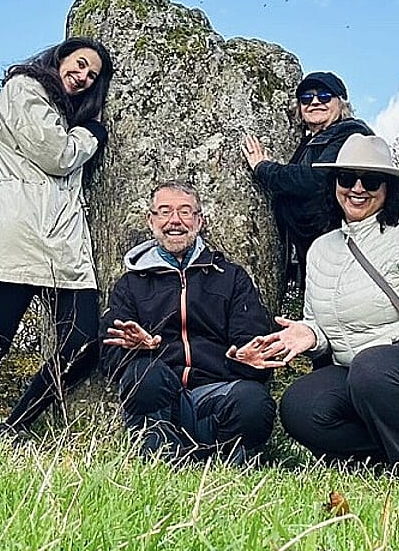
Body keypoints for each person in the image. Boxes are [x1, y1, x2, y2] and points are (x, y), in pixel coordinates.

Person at [233, 134, 399, 474]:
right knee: (299, 406)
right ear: (334, 184)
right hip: (358, 379)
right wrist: (309, 335)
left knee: (373, 367)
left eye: (371, 180)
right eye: (347, 178)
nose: (358, 188)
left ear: (388, 188)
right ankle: (377, 464)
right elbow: (319, 320)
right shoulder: (321, 249)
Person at [0, 37, 114, 440]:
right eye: (79, 65)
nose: (82, 77)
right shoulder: (23, 89)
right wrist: (90, 135)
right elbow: (56, 153)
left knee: (83, 344)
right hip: (22, 231)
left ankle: (12, 427)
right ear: (60, 57)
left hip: (63, 241)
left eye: (91, 76)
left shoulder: (61, 110)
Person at [101, 182, 276, 465]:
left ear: (199, 220)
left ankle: (223, 466)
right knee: (142, 375)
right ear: (151, 220)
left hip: (216, 394)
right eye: (165, 212)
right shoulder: (131, 285)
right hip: (162, 400)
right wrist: (139, 350)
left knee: (254, 402)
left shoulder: (230, 277)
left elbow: (254, 344)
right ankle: (161, 460)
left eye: (185, 212)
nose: (175, 221)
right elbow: (109, 354)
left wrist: (244, 358)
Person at [241, 71, 373, 293]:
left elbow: (316, 179)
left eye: (324, 96)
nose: (314, 102)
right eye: (306, 98)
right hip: (314, 252)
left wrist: (263, 168)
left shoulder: (351, 134)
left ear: (341, 103)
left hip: (341, 248)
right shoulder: (309, 143)